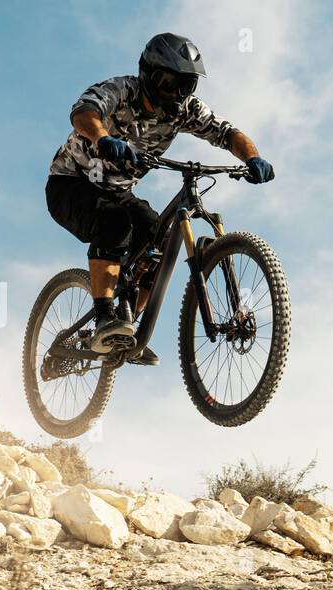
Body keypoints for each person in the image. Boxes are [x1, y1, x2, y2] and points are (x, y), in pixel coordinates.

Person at [46, 33, 274, 364]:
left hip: (117, 191)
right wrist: (103, 137)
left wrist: (252, 157)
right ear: (151, 76)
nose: (179, 94)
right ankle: (105, 317)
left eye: (188, 85)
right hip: (71, 183)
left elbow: (227, 133)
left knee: (159, 244)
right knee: (114, 224)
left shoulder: (184, 110)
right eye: (172, 84)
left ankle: (127, 332)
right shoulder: (122, 91)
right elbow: (83, 113)